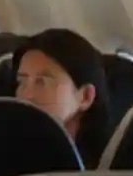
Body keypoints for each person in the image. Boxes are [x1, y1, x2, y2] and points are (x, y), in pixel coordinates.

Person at [14, 28, 112, 167]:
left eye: (42, 82)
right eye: (22, 82)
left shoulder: (110, 165)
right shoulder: (5, 156)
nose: (26, 95)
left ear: (85, 97)